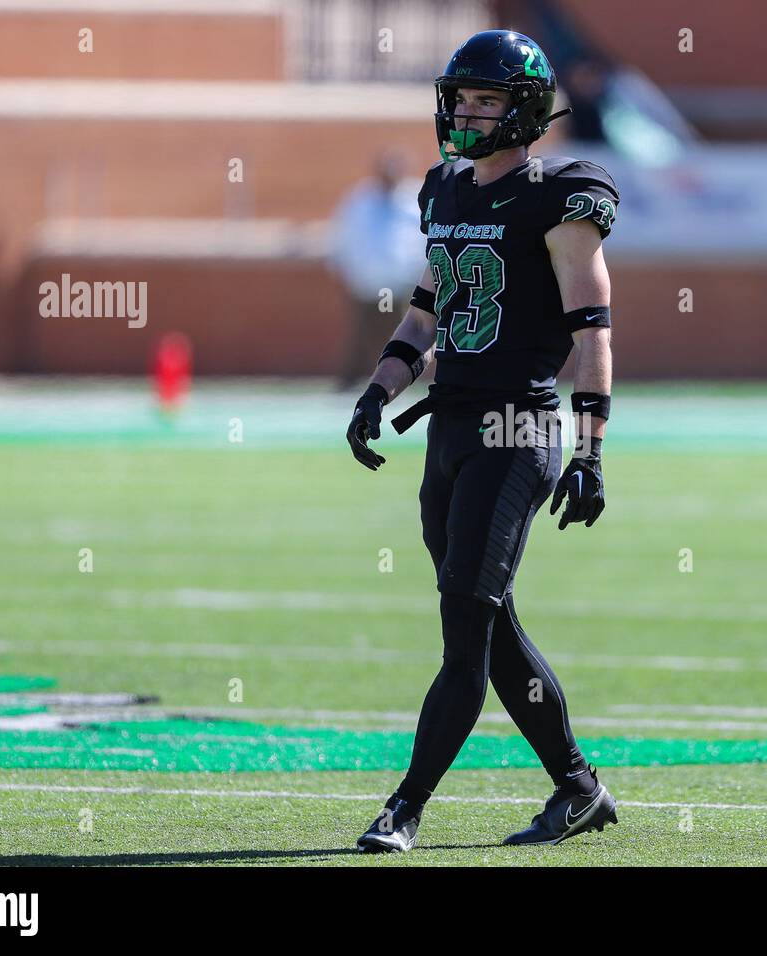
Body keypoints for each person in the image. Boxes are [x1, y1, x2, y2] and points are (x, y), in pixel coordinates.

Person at [344, 29, 619, 851]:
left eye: (486, 99)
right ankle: (579, 788)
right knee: (486, 628)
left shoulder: (560, 195)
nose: (465, 111)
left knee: (465, 621)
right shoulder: (446, 191)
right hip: (453, 431)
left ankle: (405, 806)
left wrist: (591, 447)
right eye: (460, 96)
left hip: (520, 427)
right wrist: (378, 389)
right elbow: (431, 312)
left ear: (524, 111)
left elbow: (593, 327)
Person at [328, 151, 424, 390]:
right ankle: (351, 382)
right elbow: (342, 236)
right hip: (366, 283)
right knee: (362, 332)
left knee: (402, 330)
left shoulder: (415, 198)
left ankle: (402, 380)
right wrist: (343, 270)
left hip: (402, 283)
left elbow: (425, 237)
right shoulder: (360, 199)